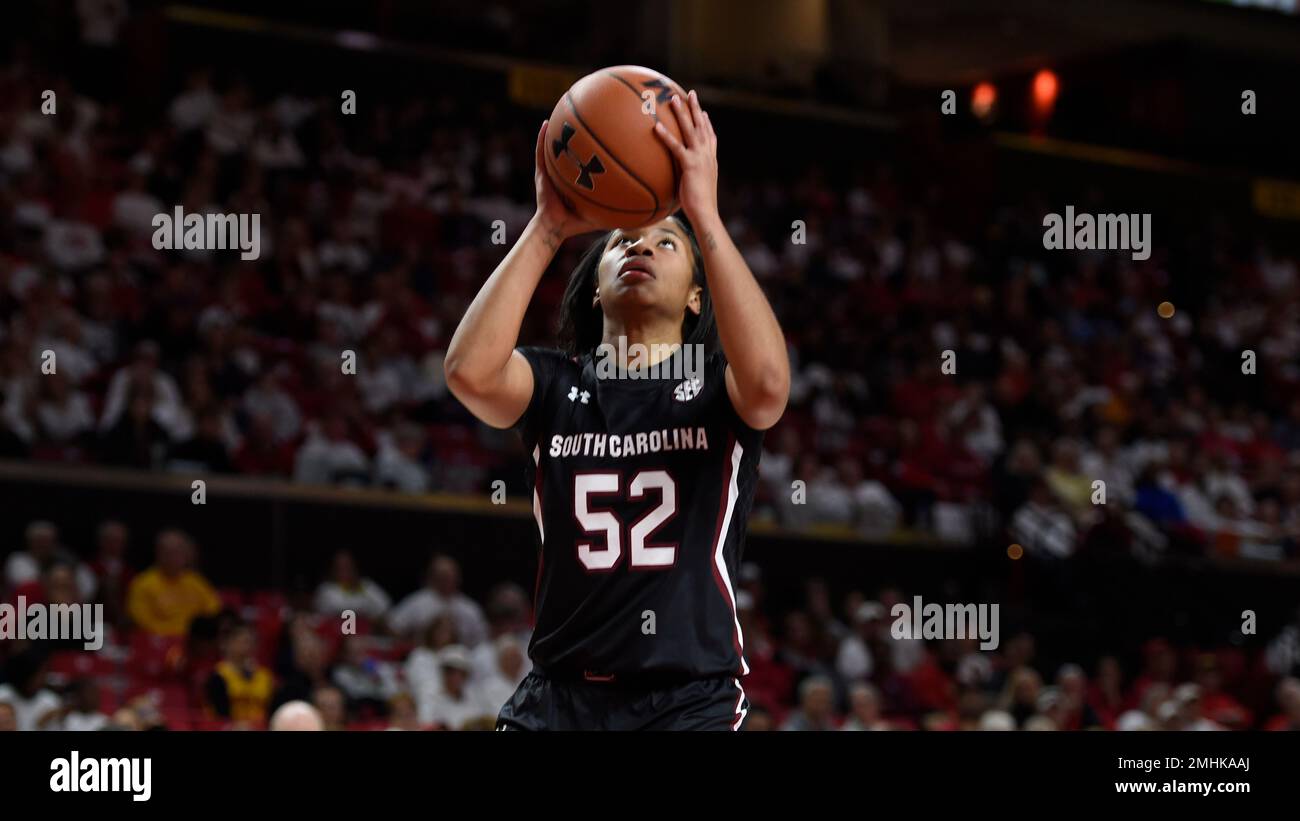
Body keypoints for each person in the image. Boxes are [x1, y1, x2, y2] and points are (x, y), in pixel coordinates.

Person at [445, 89, 788, 731]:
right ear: (595, 287)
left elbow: (770, 384)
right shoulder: (553, 383)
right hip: (560, 695)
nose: (638, 248)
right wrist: (547, 226)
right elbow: (468, 372)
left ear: (695, 297)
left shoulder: (717, 386)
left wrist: (704, 217)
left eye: (665, 243)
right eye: (621, 242)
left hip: (686, 699)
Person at [126, 529, 222, 637]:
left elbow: (213, 610)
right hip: (159, 642)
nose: (174, 558)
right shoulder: (142, 584)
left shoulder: (196, 581)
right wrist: (178, 633)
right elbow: (141, 622)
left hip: (193, 642)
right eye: (168, 552)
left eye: (178, 552)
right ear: (158, 554)